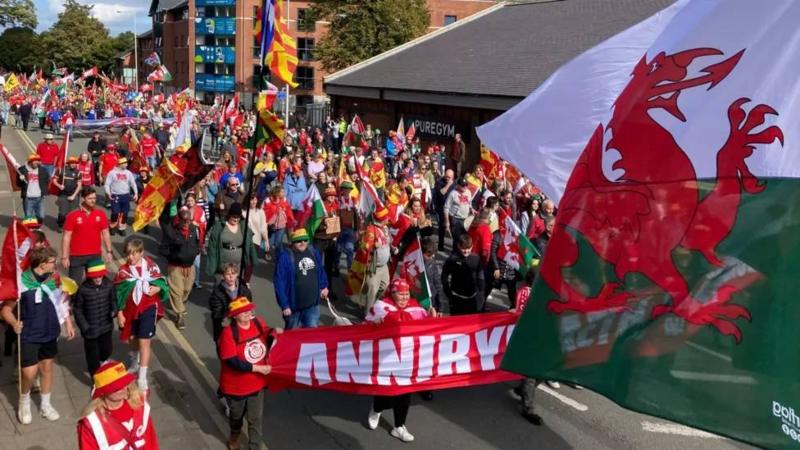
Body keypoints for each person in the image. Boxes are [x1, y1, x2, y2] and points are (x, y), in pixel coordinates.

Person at [1, 247, 75, 424]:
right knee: (28, 373)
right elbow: (5, 311)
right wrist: (14, 323)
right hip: (29, 334)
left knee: (47, 368)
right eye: (52, 262)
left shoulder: (54, 279)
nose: (55, 265)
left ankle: (45, 405)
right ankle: (24, 401)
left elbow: (61, 302)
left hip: (49, 332)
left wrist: (68, 323)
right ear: (42, 264)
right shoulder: (22, 282)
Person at [365, 278, 427, 442]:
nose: (405, 298)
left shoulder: (416, 309)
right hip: (387, 359)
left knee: (405, 393)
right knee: (385, 391)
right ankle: (376, 409)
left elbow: (428, 329)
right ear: (393, 294)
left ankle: (399, 426)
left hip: (408, 359)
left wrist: (433, 317)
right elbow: (364, 328)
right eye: (401, 294)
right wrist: (375, 323)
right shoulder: (381, 307)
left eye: (407, 294)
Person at [217, 297, 280, 450]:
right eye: (242, 311)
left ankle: (254, 446)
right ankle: (234, 436)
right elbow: (232, 361)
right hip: (236, 387)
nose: (247, 313)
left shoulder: (257, 322)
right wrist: (257, 368)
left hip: (257, 384)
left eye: (249, 309)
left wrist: (274, 332)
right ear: (234, 315)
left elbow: (267, 332)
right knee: (236, 417)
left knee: (255, 420)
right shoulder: (228, 333)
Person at [114, 239, 169, 391]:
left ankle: (142, 375)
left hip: (148, 307)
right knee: (132, 338)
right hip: (130, 310)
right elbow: (119, 293)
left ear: (141, 252)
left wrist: (158, 288)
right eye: (128, 254)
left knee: (144, 340)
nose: (130, 257)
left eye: (133, 254)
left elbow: (161, 281)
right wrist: (120, 313)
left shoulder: (151, 267)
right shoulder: (123, 271)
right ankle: (134, 362)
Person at [77, 360, 159, 449]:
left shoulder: (140, 406)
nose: (121, 388)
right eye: (115, 387)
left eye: (123, 383)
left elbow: (150, 441)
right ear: (102, 392)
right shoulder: (91, 423)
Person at [274, 229, 328, 329]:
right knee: (293, 338)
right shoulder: (285, 257)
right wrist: (284, 305)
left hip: (312, 307)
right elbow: (279, 282)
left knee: (311, 337)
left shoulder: (313, 252)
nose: (303, 243)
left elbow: (320, 270)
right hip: (294, 309)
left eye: (305, 240)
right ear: (293, 242)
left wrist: (324, 286)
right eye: (299, 241)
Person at [509, 268, 543, 426]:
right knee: (531, 373)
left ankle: (523, 390)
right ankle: (527, 408)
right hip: (530, 337)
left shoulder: (525, 291)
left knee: (541, 371)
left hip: (533, 336)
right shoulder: (531, 295)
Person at [72, 259, 117, 376]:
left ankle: (103, 361)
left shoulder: (109, 285)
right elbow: (77, 309)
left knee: (107, 350)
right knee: (92, 356)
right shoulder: (83, 289)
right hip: (90, 330)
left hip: (106, 326)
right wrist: (84, 326)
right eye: (94, 277)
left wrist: (114, 310)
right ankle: (95, 378)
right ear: (89, 276)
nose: (98, 279)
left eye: (100, 276)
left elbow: (113, 300)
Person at [62, 186, 114, 283]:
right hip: (76, 256)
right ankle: (74, 299)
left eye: (94, 198)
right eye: (90, 198)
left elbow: (106, 233)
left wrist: (109, 251)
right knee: (74, 284)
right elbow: (66, 237)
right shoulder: (72, 215)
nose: (93, 201)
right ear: (83, 198)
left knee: (94, 284)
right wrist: (64, 257)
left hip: (95, 256)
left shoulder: (100, 214)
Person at [163, 207, 201, 330]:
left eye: (188, 221)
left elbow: (197, 243)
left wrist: (195, 251)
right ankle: (179, 315)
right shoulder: (171, 232)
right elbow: (163, 249)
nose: (186, 223)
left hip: (190, 266)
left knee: (186, 290)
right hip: (176, 267)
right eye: (184, 221)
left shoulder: (194, 229)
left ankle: (180, 303)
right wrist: (174, 253)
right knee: (177, 291)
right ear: (178, 220)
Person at [350, 207, 391, 314]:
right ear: (382, 218)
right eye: (386, 217)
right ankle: (368, 315)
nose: (388, 218)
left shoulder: (385, 228)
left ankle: (373, 305)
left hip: (384, 266)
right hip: (374, 268)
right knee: (372, 290)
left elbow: (389, 240)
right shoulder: (371, 230)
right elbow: (364, 247)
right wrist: (374, 247)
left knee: (385, 285)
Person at [206, 202, 258, 282]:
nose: (236, 219)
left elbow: (249, 243)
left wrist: (254, 259)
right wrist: (212, 265)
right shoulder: (219, 226)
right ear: (229, 215)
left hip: (238, 265)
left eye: (238, 217)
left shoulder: (243, 226)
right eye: (234, 216)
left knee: (234, 289)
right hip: (223, 265)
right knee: (221, 288)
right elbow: (212, 246)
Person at [209, 263, 253, 342]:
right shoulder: (217, 294)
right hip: (226, 329)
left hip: (242, 327)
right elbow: (217, 314)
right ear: (223, 276)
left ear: (237, 274)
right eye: (228, 274)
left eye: (233, 273)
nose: (231, 277)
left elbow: (249, 307)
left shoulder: (244, 290)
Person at [441, 234, 485, 315]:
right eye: (463, 248)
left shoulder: (476, 258)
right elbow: (444, 276)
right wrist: (448, 294)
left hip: (472, 299)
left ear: (472, 246)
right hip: (457, 299)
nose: (466, 251)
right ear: (458, 246)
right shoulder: (452, 259)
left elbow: (480, 275)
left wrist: (481, 292)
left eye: (468, 248)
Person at [104, 158, 138, 235]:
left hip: (125, 195)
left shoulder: (128, 173)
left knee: (124, 213)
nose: (126, 164)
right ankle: (112, 226)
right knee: (115, 212)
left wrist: (136, 193)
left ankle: (121, 228)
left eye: (126, 163)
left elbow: (133, 183)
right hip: (115, 195)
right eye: (125, 163)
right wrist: (108, 193)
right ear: (120, 164)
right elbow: (107, 184)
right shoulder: (112, 173)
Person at [263, 185, 295, 260]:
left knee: (278, 243)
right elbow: (265, 211)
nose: (284, 193)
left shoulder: (284, 200)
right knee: (270, 243)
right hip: (271, 226)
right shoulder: (268, 200)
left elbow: (288, 210)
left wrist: (291, 219)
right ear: (277, 192)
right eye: (282, 192)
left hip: (282, 225)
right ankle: (267, 252)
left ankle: (280, 257)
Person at [52, 156, 82, 231]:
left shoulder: (78, 172)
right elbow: (54, 180)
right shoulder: (61, 170)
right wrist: (59, 186)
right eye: (72, 162)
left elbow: (79, 185)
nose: (73, 164)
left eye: (75, 163)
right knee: (63, 213)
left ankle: (69, 226)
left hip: (73, 195)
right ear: (68, 163)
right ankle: (60, 224)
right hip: (63, 195)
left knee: (71, 214)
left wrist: (74, 195)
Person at [17, 153, 49, 224]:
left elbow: (47, 181)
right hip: (28, 198)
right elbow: (18, 184)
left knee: (41, 216)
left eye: (38, 160)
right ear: (30, 162)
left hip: (39, 198)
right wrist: (20, 179)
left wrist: (44, 192)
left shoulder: (43, 170)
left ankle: (37, 227)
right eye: (35, 160)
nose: (37, 162)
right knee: (29, 217)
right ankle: (31, 231)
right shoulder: (22, 170)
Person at [443, 178, 472, 251]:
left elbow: (469, 203)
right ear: (458, 185)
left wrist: (472, 209)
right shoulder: (453, 193)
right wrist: (447, 222)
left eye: (466, 185)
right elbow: (446, 208)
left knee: (465, 240)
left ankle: (463, 256)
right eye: (463, 186)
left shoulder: (468, 192)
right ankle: (455, 256)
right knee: (457, 239)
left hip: (466, 219)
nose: (465, 187)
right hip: (456, 219)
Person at [433, 169, 455, 250]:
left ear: (452, 177)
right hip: (441, 208)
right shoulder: (440, 182)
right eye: (446, 176)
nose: (447, 178)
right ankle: (440, 245)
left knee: (452, 228)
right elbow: (441, 193)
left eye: (449, 177)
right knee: (442, 228)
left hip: (451, 209)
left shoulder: (455, 184)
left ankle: (454, 247)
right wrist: (448, 184)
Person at [245, 194, 270, 261]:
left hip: (255, 241)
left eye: (255, 199)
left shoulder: (260, 212)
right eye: (252, 199)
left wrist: (266, 241)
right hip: (244, 240)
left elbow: (263, 228)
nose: (254, 202)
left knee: (250, 262)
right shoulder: (243, 211)